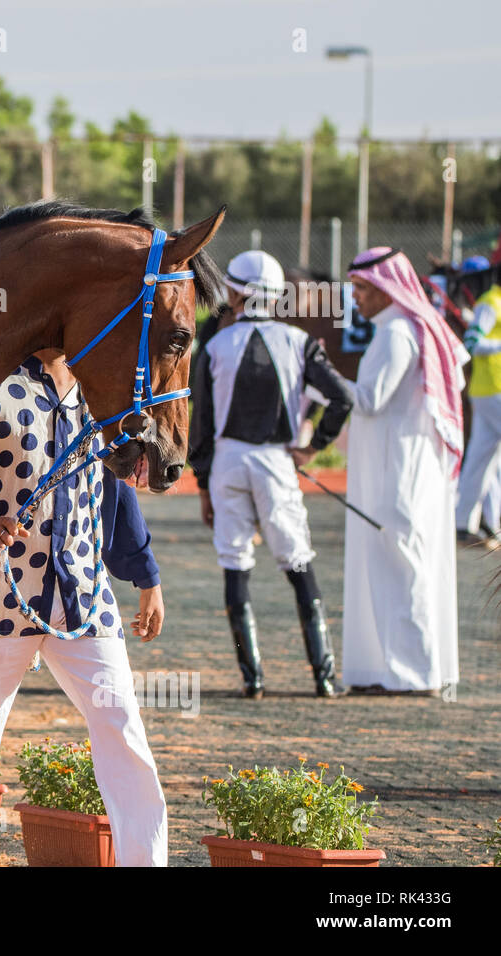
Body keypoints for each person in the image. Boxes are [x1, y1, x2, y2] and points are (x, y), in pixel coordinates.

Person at [0, 350, 168, 867]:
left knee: (122, 724)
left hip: (84, 594)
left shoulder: (99, 389)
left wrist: (146, 576)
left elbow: (117, 488)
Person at [188, 250, 353, 698]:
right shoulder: (299, 342)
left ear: (236, 293)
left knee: (235, 567)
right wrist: (313, 448)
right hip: (277, 463)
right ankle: (324, 677)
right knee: (298, 564)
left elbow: (199, 425)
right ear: (279, 295)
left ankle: (253, 679)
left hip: (227, 464)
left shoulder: (214, 346)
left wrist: (203, 487)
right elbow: (340, 399)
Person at [342, 247, 467, 696]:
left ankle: (413, 674)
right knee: (399, 565)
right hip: (405, 469)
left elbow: (371, 398)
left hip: (401, 473)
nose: (355, 298)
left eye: (360, 289)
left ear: (383, 288)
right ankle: (395, 669)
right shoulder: (398, 327)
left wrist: (320, 379)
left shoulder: (396, 331)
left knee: (402, 564)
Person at [454, 256, 501, 548]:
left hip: (489, 391)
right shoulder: (491, 302)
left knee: (483, 460)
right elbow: (471, 342)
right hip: (494, 390)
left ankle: (465, 525)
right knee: (487, 460)